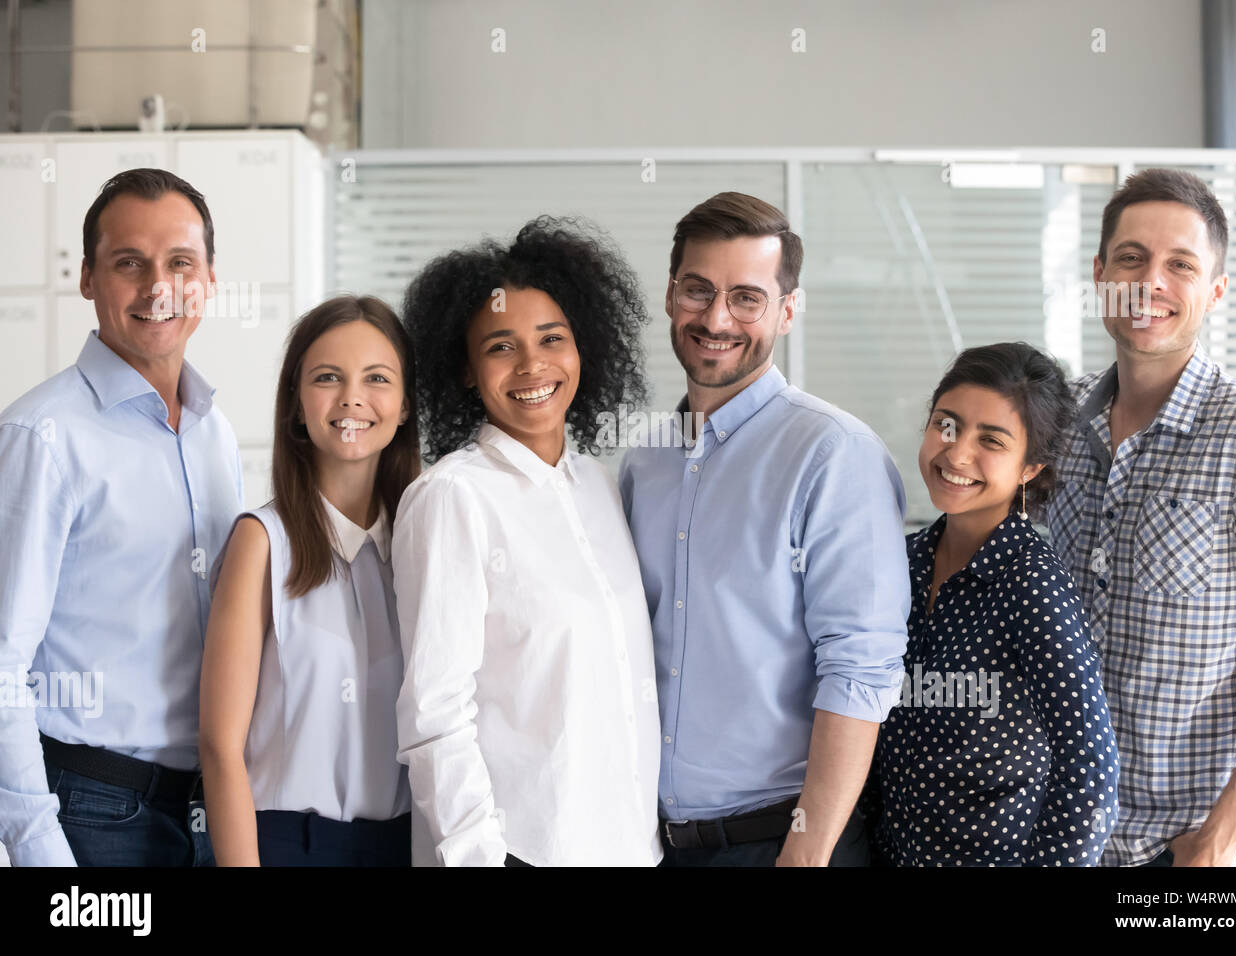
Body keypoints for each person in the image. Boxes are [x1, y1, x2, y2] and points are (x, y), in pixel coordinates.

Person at [619, 191, 911, 866]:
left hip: (785, 844)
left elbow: (861, 671)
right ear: (670, 295)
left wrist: (804, 855)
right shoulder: (645, 460)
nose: (716, 317)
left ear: (786, 310)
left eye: (746, 297)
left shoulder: (834, 453)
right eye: (698, 290)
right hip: (653, 842)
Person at [1046, 168, 1236, 867]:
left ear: (1214, 291)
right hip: (1075, 835)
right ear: (1100, 273)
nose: (1150, 281)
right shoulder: (1060, 425)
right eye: (1131, 257)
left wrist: (1219, 840)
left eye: (1180, 264)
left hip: (1198, 847)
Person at [393, 216, 661, 866]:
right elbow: (434, 712)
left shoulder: (600, 486)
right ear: (465, 369)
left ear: (582, 349)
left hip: (632, 850)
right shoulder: (454, 497)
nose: (533, 365)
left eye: (551, 338)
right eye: (501, 347)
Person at [0, 168, 242, 866]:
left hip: (203, 807)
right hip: (89, 811)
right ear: (86, 278)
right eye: (128, 263)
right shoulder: (42, 439)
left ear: (209, 281)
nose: (157, 288)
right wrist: (38, 845)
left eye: (179, 263)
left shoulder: (213, 432)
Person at [864, 342, 1118, 866]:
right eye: (947, 425)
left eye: (992, 441)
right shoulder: (902, 561)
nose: (956, 454)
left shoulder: (1031, 583)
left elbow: (1089, 769)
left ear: (1031, 467)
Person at [200, 295, 420, 866]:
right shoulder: (261, 542)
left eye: (377, 378)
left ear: (404, 407)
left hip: (409, 845)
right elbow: (220, 748)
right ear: (297, 405)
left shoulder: (428, 544)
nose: (352, 398)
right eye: (327, 377)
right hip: (287, 848)